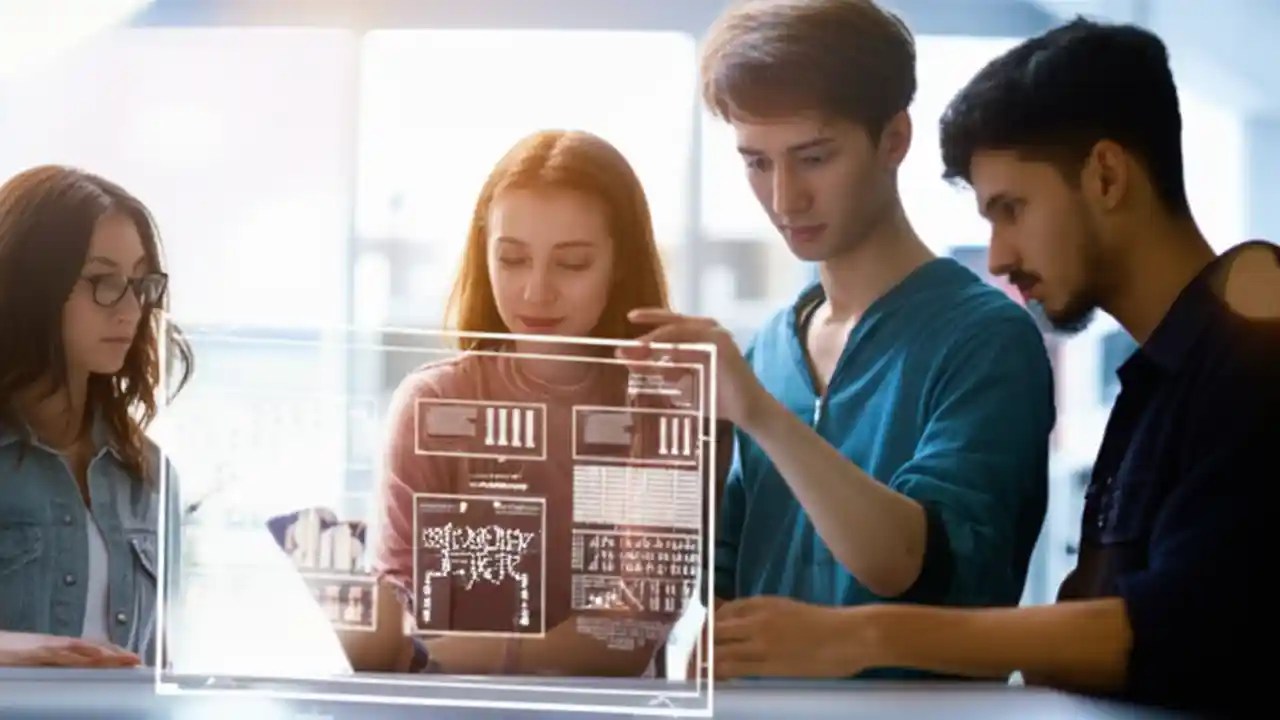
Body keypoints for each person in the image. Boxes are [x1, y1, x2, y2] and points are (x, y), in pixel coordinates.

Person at [711, 17, 1276, 717]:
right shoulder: (1156, 384)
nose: (1000, 256)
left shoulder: (1251, 353)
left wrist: (859, 634)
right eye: (756, 161)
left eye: (1011, 210)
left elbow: (1183, 624)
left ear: (1105, 174)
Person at [623, 0, 1056, 680]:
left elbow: (907, 564)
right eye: (756, 163)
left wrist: (760, 414)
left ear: (893, 139)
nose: (785, 197)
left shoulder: (985, 339)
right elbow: (728, 582)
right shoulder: (771, 345)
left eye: (813, 158)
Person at [342, 129, 689, 676]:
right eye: (512, 259)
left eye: (571, 263)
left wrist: (442, 656)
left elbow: (633, 626)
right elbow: (398, 596)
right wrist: (362, 619)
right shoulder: (433, 399)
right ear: (485, 256)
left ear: (620, 262)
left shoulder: (661, 410)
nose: (536, 293)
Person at [0, 165, 194, 667]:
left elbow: (163, 669)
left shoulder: (149, 476)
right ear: (30, 283)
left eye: (139, 283)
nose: (130, 309)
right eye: (102, 281)